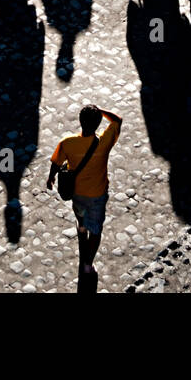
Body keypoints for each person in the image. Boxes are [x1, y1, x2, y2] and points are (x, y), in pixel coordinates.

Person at [47, 104, 122, 279]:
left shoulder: (68, 143)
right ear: (97, 124)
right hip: (97, 194)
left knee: (79, 211)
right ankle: (87, 264)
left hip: (77, 192)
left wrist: (51, 177)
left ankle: (81, 227)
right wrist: (101, 110)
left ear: (80, 121)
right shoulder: (104, 142)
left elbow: (56, 163)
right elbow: (118, 120)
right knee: (95, 230)